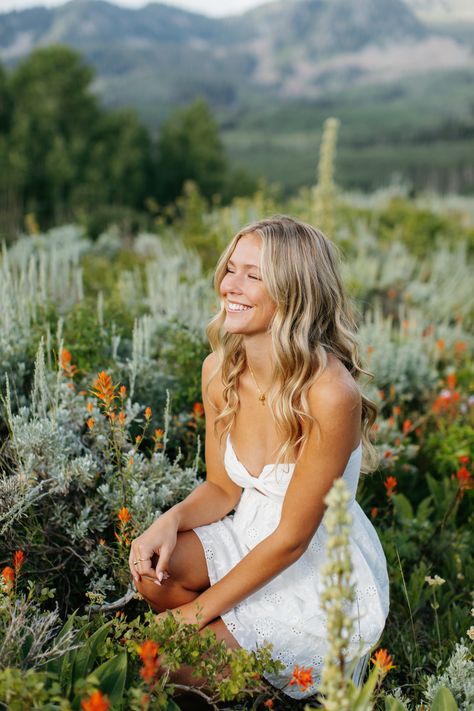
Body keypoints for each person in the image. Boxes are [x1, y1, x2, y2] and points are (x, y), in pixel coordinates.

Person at [129, 215, 389, 698]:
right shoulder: (219, 370)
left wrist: (195, 615)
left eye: (254, 274)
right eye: (231, 268)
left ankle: (261, 684)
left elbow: (292, 540)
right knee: (152, 572)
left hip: (312, 565)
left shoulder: (331, 395)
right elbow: (222, 489)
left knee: (162, 660)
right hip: (248, 533)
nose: (232, 284)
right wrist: (170, 519)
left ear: (294, 291)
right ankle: (233, 655)